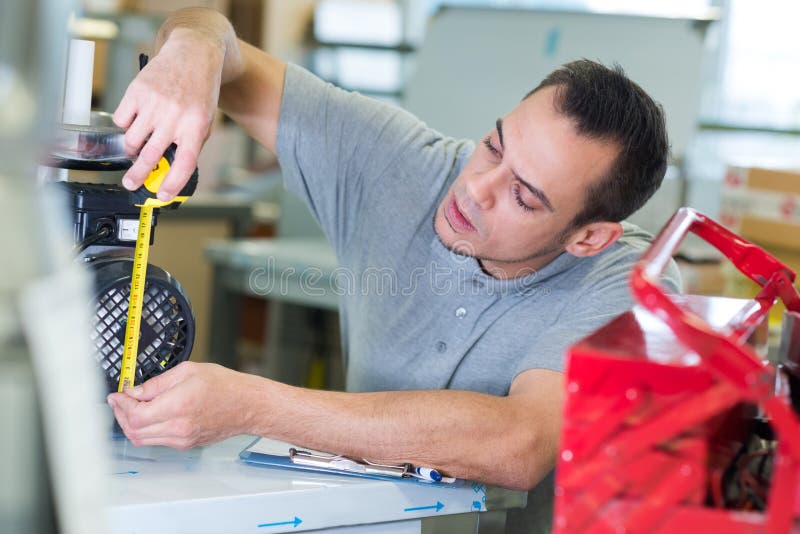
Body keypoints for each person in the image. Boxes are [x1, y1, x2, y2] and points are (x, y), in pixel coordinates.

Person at [106, 8, 680, 532]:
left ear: (587, 236)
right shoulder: (398, 164)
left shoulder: (627, 282)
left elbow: (520, 443)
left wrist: (252, 406)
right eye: (493, 146)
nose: (476, 190)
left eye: (524, 198)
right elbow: (221, 45)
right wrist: (192, 50)